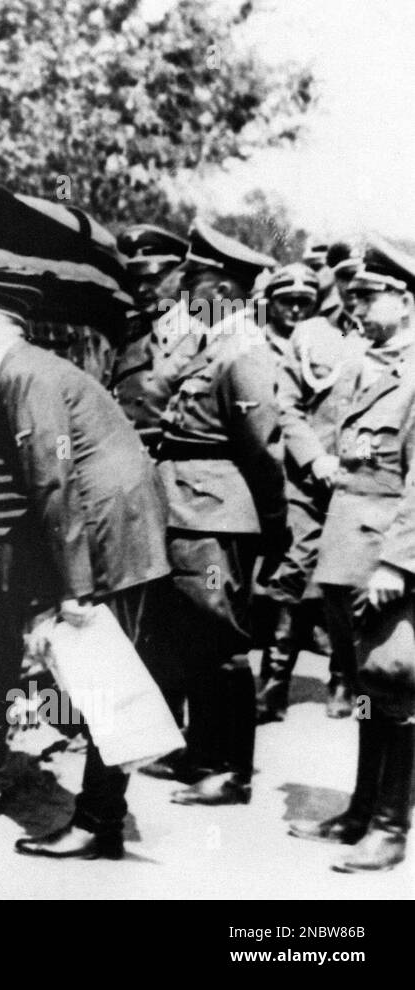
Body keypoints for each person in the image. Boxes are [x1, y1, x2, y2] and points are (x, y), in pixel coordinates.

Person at [0, 275, 171, 860]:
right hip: (108, 521)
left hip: (105, 532)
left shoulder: (27, 375)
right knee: (8, 598)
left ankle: (100, 823)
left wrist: (75, 589)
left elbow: (53, 480)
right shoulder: (25, 372)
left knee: (102, 673)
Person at [150, 221, 289, 805]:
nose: (186, 291)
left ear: (228, 289)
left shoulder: (242, 353)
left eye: (198, 282)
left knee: (220, 642)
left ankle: (232, 771)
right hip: (189, 510)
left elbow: (264, 449)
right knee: (191, 639)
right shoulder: (212, 345)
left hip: (216, 517)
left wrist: (274, 528)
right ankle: (202, 753)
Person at [288, 239, 415, 872]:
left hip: (388, 557)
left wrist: (399, 561)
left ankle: (391, 828)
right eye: (353, 295)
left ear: (406, 301)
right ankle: (362, 810)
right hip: (347, 547)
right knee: (368, 683)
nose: (354, 307)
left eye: (367, 296)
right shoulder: (364, 365)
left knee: (395, 682)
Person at [256, 264, 368, 720]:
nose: (352, 293)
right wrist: (313, 458)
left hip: (363, 482)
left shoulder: (392, 339)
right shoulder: (310, 334)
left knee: (352, 579)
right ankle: (275, 682)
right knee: (292, 572)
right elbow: (288, 405)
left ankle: (345, 678)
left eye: (364, 286)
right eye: (346, 283)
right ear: (335, 284)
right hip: (307, 480)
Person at [110, 224, 194, 454]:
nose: (141, 289)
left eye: (152, 279)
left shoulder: (201, 333)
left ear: (180, 278)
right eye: (135, 280)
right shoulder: (129, 331)